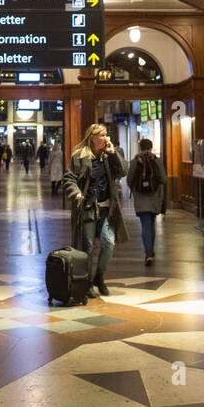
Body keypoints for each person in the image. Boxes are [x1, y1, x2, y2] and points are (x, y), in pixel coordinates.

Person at [63, 124, 127, 298]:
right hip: (88, 208)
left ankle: (100, 276)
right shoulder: (80, 156)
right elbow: (69, 177)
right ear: (91, 136)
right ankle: (88, 281)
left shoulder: (109, 155)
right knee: (88, 246)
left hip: (107, 207)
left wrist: (114, 153)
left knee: (109, 242)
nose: (105, 138)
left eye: (106, 134)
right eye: (101, 135)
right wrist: (75, 192)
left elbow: (123, 171)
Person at [127, 138, 167, 266]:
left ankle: (148, 252)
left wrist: (135, 189)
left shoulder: (134, 162)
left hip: (140, 197)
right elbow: (164, 179)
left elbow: (129, 179)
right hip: (154, 196)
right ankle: (151, 251)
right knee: (152, 223)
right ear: (151, 147)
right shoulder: (156, 160)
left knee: (145, 224)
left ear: (140, 147)